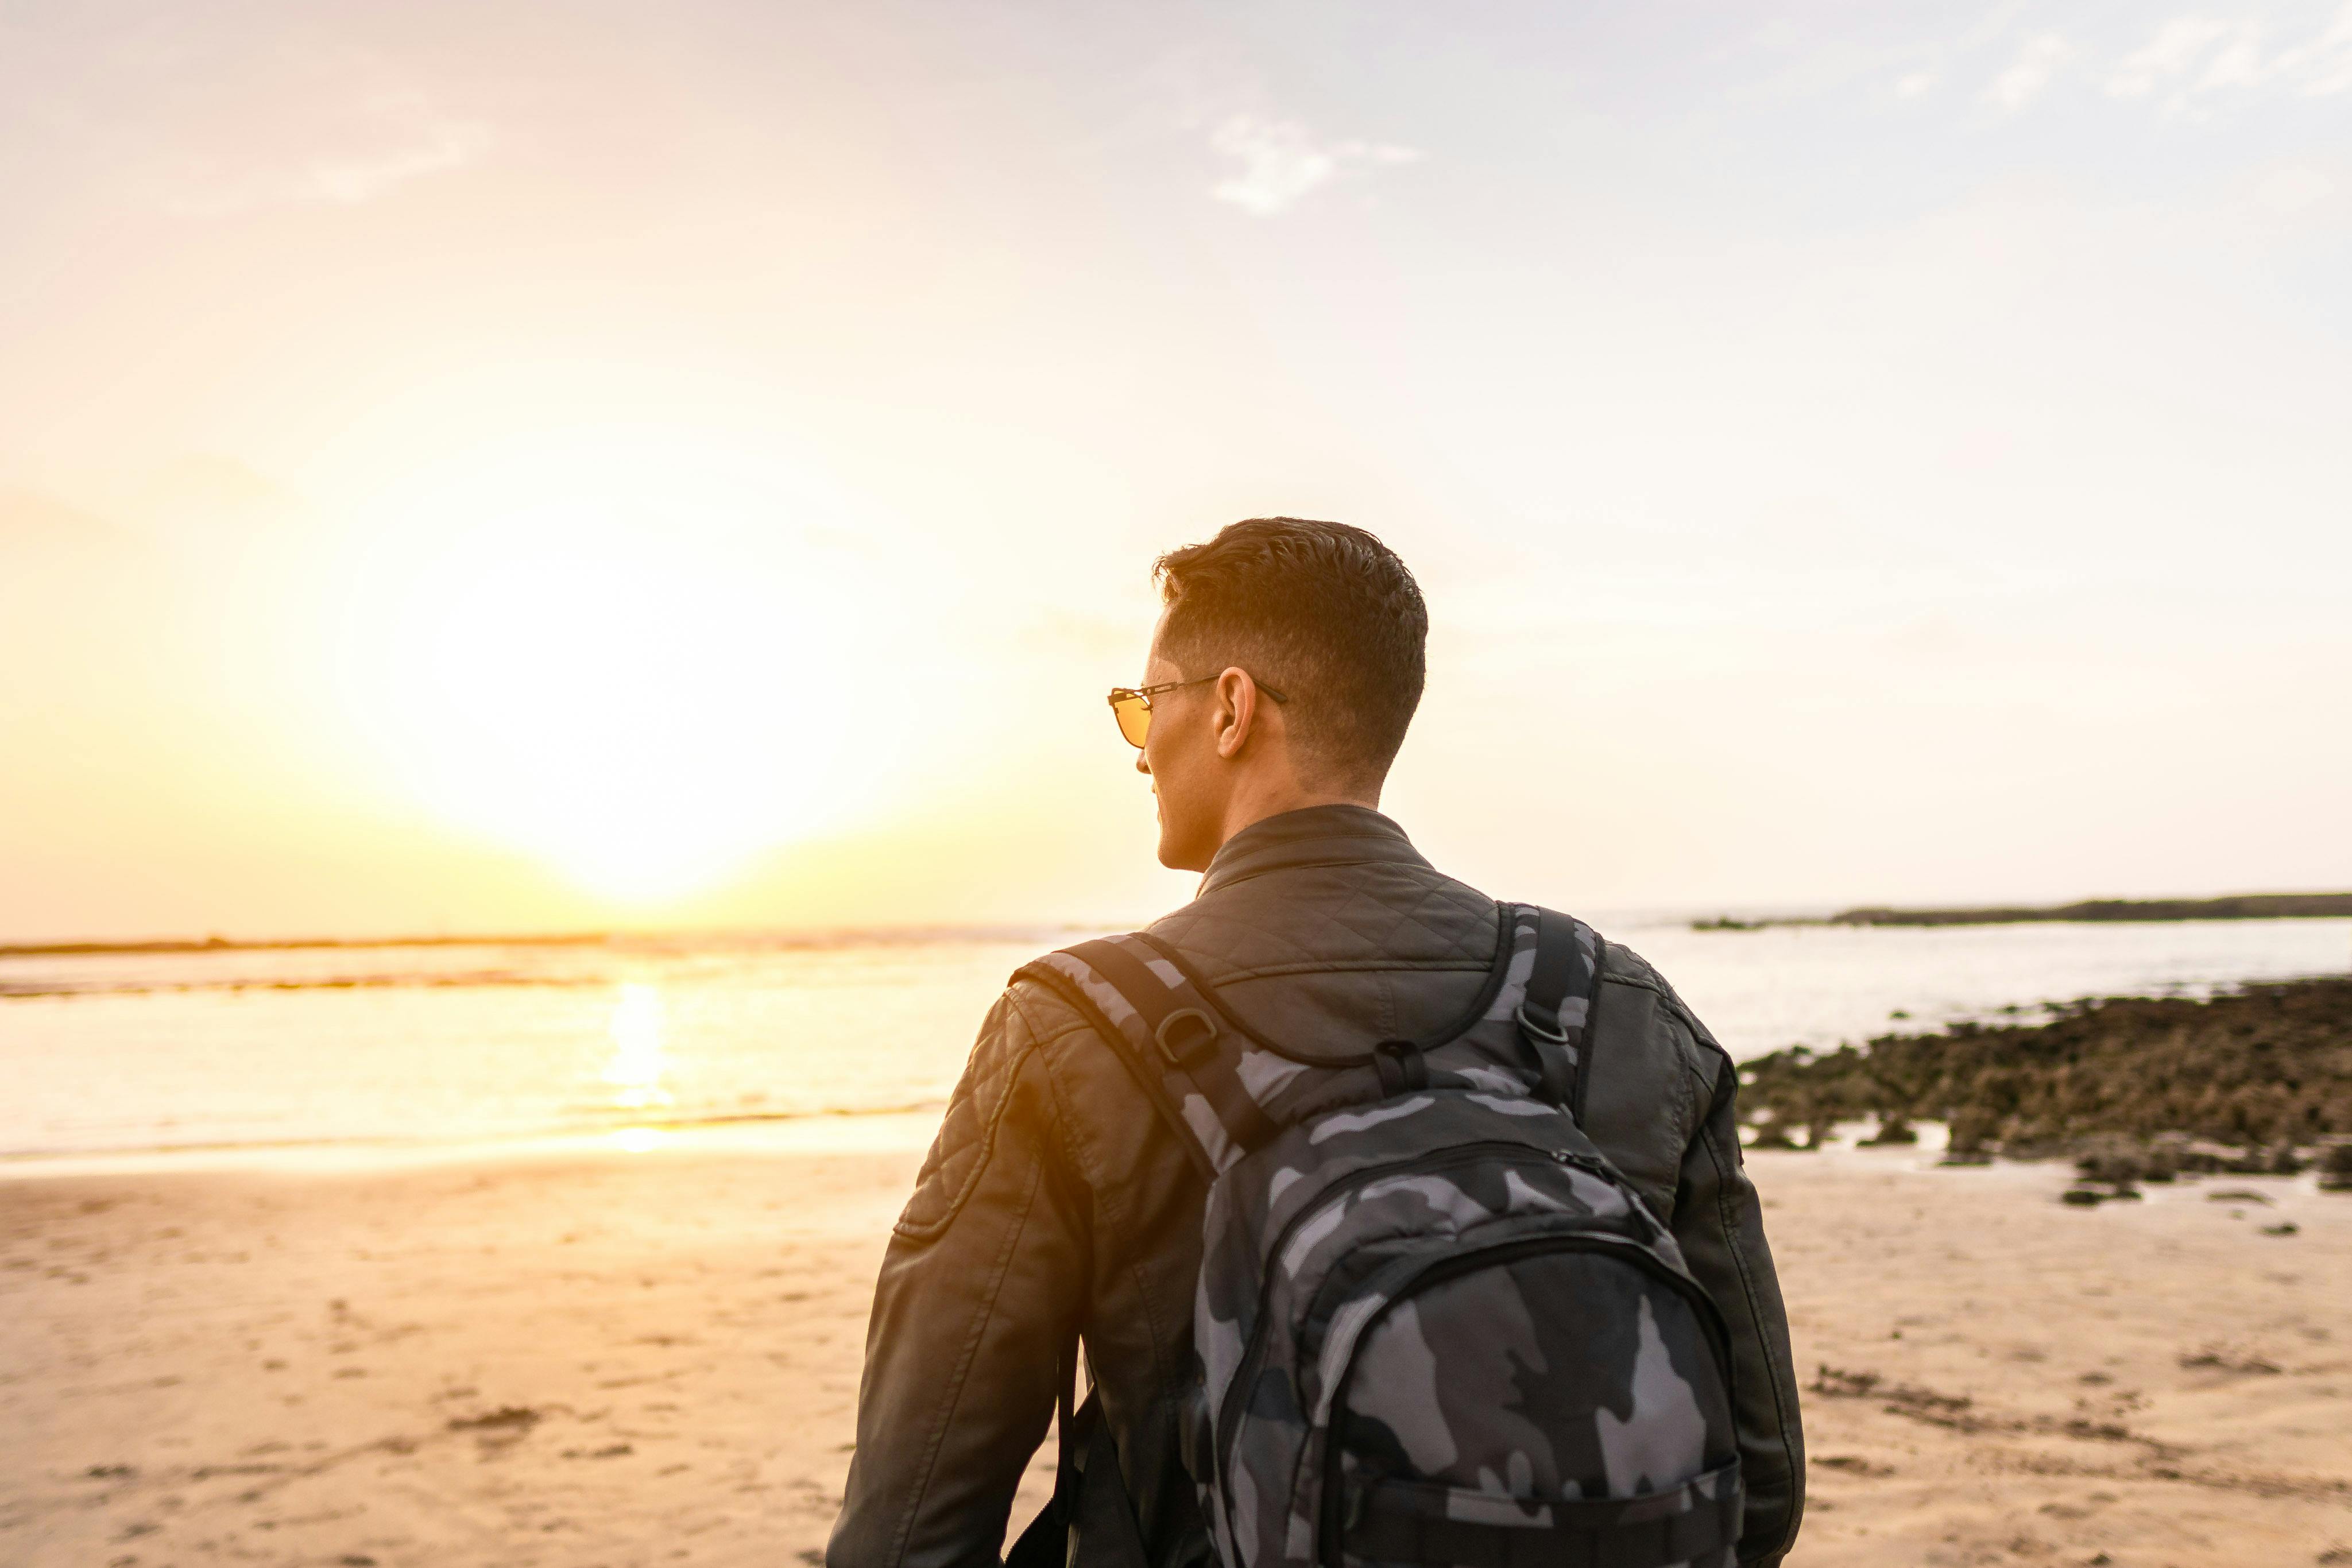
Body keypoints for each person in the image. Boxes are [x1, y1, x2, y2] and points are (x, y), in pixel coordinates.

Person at [827, 517, 1804, 1568]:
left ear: (1233, 709)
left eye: (1146, 703)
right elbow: (1760, 1486)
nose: (1139, 745)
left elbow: (912, 1525)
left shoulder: (1074, 1026)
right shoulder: (1619, 1007)